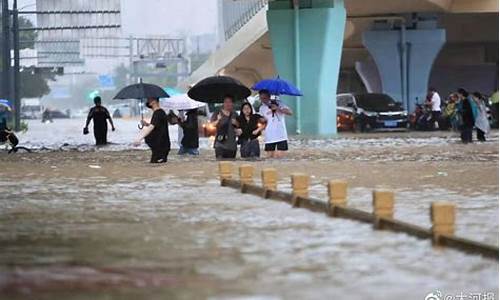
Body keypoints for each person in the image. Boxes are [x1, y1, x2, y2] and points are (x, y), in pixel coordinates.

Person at [134, 97, 172, 163]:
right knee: (155, 165)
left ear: (154, 101)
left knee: (156, 166)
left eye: (149, 100)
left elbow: (151, 127)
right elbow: (158, 126)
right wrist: (146, 124)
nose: (148, 101)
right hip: (161, 146)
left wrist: (139, 138)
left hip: (161, 146)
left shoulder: (158, 113)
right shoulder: (160, 112)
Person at [258, 90, 293, 158]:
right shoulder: (262, 108)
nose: (263, 100)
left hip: (281, 135)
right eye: (261, 98)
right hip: (269, 136)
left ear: (269, 97)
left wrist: (278, 109)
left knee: (280, 158)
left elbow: (290, 112)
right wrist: (262, 120)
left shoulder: (279, 103)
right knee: (269, 158)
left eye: (264, 98)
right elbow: (261, 121)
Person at [210, 95, 241, 159]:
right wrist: (218, 120)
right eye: (226, 102)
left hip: (232, 145)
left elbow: (239, 127)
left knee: (230, 166)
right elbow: (212, 124)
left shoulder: (235, 114)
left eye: (230, 102)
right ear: (223, 103)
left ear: (232, 103)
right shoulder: (218, 112)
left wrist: (236, 123)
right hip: (220, 144)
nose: (228, 104)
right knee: (220, 164)